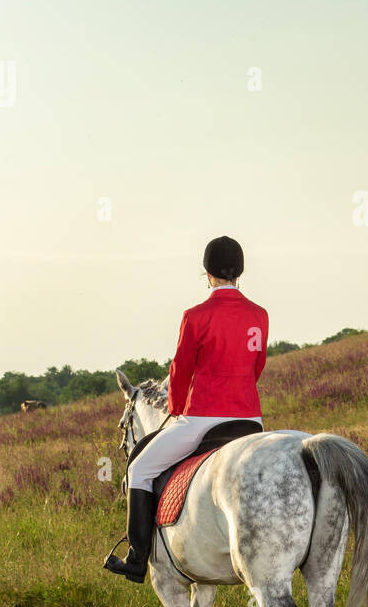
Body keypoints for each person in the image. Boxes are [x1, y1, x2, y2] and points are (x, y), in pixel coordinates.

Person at [104, 236, 269, 583]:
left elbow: (180, 370)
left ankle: (136, 559)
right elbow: (257, 367)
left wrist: (178, 410)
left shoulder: (195, 316)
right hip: (251, 421)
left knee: (141, 470)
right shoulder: (259, 315)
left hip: (202, 419)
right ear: (241, 271)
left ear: (206, 272)